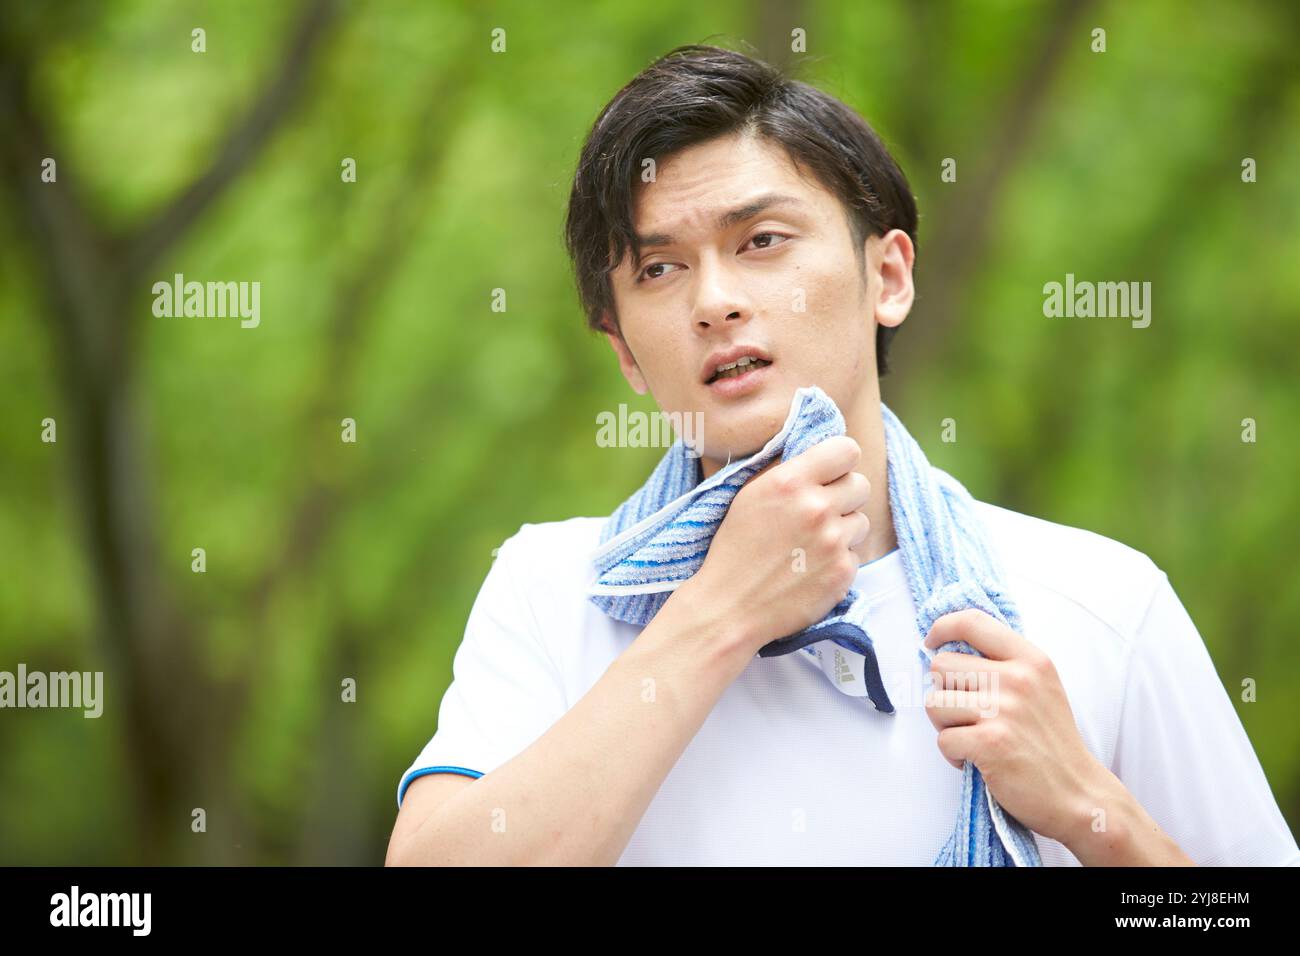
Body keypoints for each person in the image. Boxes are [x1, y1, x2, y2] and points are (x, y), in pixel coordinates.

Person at [385, 44, 1300, 866]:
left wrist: (1095, 811)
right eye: (658, 269)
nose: (715, 300)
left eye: (762, 241)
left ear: (888, 277)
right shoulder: (552, 592)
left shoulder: (1097, 603)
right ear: (624, 350)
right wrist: (719, 612)